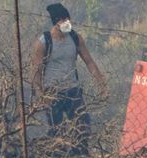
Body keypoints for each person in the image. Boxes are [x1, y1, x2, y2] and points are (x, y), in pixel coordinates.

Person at [28, 4, 107, 147]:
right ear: (56, 22)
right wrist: (40, 94)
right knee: (56, 129)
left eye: (68, 19)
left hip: (73, 90)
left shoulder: (75, 38)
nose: (67, 23)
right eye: (64, 20)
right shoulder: (44, 42)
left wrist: (101, 83)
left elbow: (89, 61)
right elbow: (36, 70)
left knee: (82, 125)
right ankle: (53, 157)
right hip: (52, 91)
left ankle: (80, 156)